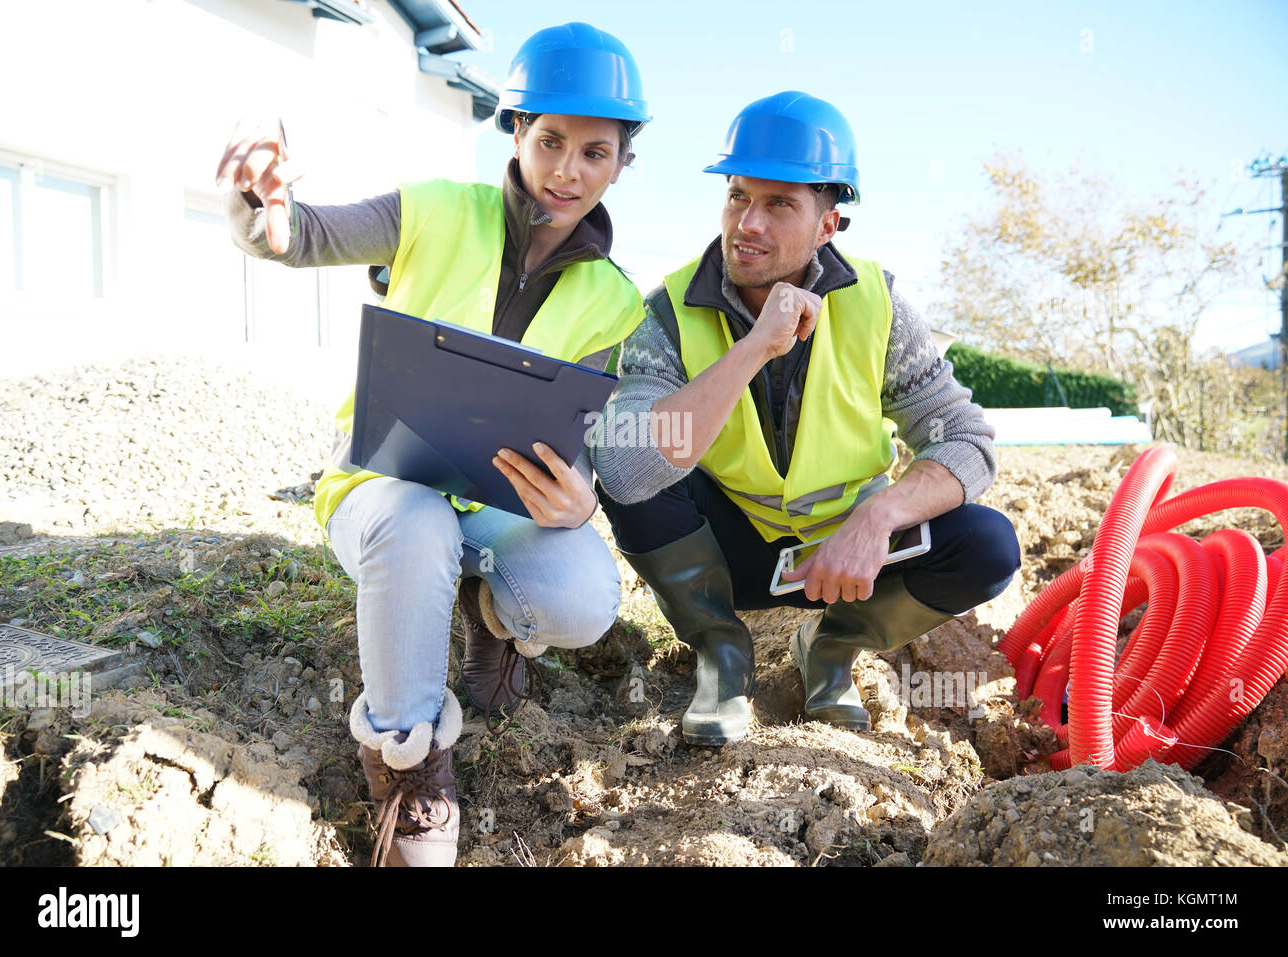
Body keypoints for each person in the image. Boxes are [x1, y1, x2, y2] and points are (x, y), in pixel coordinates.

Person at [215, 22, 650, 866]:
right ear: (515, 132)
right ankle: (409, 760)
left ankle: (490, 614)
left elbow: (578, 432)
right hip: (384, 488)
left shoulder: (614, 298)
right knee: (416, 521)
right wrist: (261, 208)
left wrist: (583, 495)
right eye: (551, 141)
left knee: (584, 594)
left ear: (621, 163)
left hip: (494, 503)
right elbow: (300, 235)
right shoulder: (435, 209)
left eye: (596, 152)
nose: (568, 170)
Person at [590, 91, 1021, 747]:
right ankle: (721, 655)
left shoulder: (881, 303)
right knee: (644, 467)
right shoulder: (668, 310)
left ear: (828, 223)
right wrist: (755, 344)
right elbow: (622, 470)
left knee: (987, 546)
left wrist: (878, 518)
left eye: (780, 204)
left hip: (845, 560)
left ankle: (828, 649)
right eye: (738, 196)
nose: (748, 223)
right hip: (728, 555)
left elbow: (967, 442)